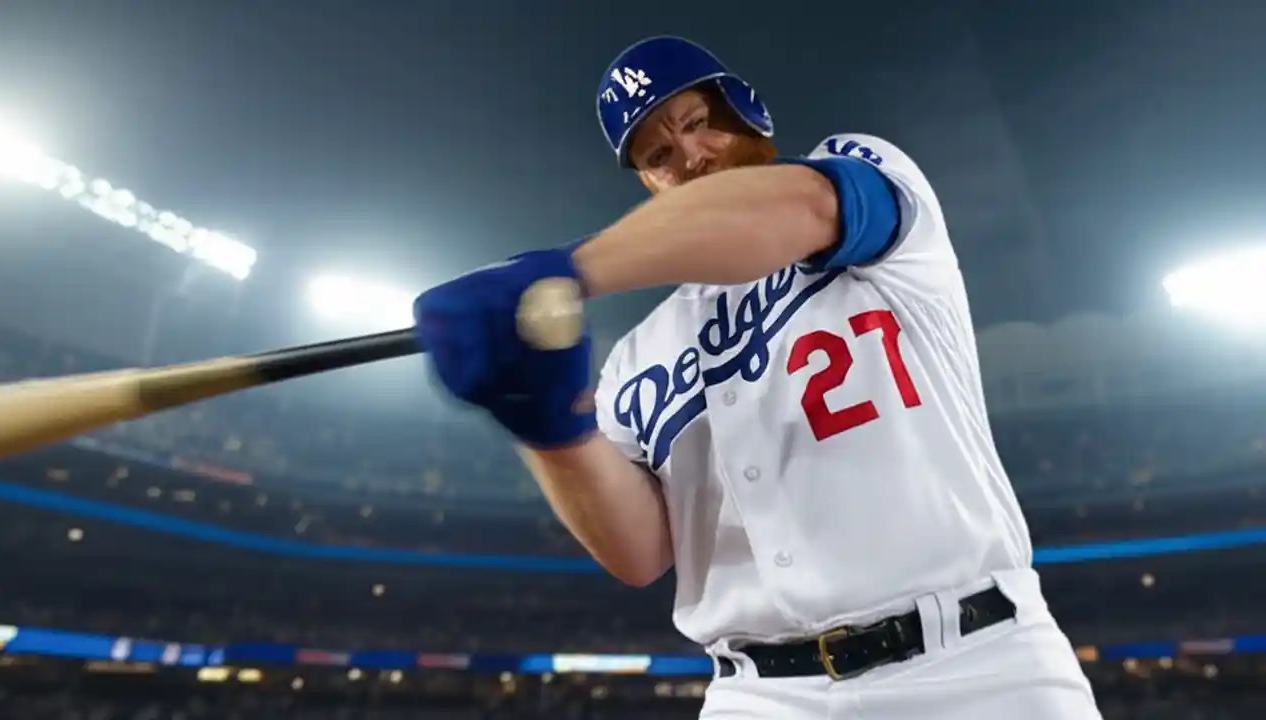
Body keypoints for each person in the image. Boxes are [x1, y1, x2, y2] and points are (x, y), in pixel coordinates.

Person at [414, 36, 1102, 719]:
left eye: (696, 120)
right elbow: (640, 553)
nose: (688, 156)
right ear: (646, 185)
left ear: (746, 112)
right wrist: (545, 422)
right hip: (760, 694)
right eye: (657, 156)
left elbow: (797, 210)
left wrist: (568, 270)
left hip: (978, 665)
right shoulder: (635, 357)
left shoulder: (861, 180)